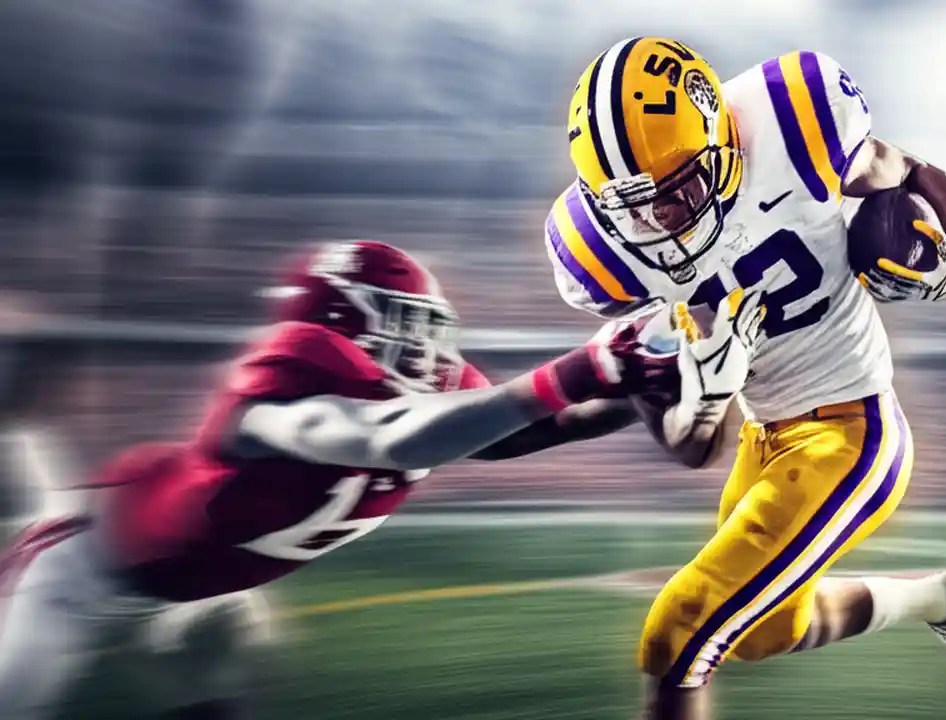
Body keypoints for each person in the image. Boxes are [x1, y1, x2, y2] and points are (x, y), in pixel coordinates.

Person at [0, 240, 709, 719]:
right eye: (406, 322)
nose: (430, 350)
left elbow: (531, 427)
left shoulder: (420, 391)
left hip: (204, 588)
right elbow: (382, 440)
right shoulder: (280, 396)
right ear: (339, 318)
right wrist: (580, 369)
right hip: (83, 565)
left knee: (226, 678)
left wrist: (645, 387)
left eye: (431, 328)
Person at [545, 38, 946, 719]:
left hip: (856, 431)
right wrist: (708, 394)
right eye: (632, 209)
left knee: (680, 631)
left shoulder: (793, 120)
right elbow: (695, 449)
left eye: (677, 192)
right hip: (763, 438)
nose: (659, 222)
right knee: (760, 634)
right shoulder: (600, 254)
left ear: (721, 136)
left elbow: (909, 170)